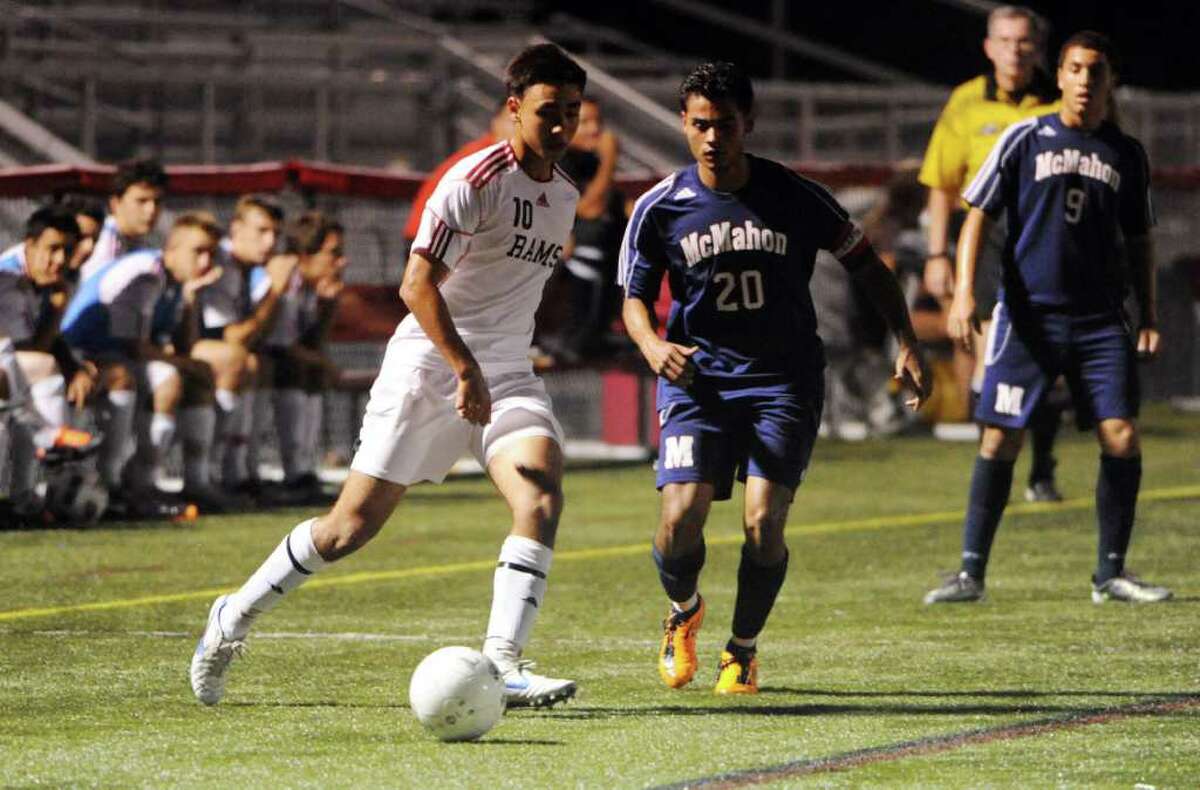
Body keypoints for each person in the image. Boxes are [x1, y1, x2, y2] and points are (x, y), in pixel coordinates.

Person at [190, 43, 587, 709]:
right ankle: (232, 618)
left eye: (572, 112)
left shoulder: (565, 195)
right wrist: (464, 367)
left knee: (540, 495)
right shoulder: (472, 181)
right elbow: (415, 286)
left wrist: (507, 357)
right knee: (347, 529)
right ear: (514, 108)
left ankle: (502, 666)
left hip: (507, 372)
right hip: (432, 366)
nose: (562, 125)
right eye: (550, 111)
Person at [620, 62, 931, 695]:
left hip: (783, 381)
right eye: (701, 125)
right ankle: (683, 613)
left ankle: (742, 649)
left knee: (764, 525)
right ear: (684, 124)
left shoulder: (796, 195)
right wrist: (652, 344)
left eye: (726, 125)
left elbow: (868, 266)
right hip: (697, 379)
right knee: (681, 517)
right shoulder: (660, 207)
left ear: (748, 124)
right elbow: (633, 295)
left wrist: (907, 339)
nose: (713, 138)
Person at [923, 32, 1171, 605]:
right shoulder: (1025, 137)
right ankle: (970, 574)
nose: (1086, 80)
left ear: (1111, 82)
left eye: (1097, 71)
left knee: (1122, 434)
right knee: (999, 438)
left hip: (1101, 321)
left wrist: (1150, 312)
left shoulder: (1126, 153)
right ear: (1058, 76)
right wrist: (964, 296)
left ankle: (1110, 574)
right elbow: (977, 214)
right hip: (1027, 317)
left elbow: (1141, 240)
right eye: (1076, 69)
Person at [919, 5, 1066, 501]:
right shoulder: (965, 102)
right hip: (983, 238)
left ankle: (1042, 467)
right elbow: (942, 184)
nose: (1015, 50)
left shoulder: (1061, 99)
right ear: (988, 47)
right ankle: (994, 459)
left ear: (1038, 47)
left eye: (1024, 41)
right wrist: (938, 254)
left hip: (1048, 238)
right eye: (1005, 40)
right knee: (989, 351)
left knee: (1049, 356)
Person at [60, 213, 225, 517]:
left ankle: (193, 482)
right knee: (166, 377)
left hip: (115, 355)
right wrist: (188, 365)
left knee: (190, 376)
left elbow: (181, 346)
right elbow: (134, 347)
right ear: (172, 248)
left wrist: (190, 299)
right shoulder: (148, 273)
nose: (206, 261)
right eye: (198, 251)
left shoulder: (175, 283)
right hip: (79, 355)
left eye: (211, 253)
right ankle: (116, 485)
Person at [0, 206, 100, 521]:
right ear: (29, 244)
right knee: (40, 372)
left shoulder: (46, 278)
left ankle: (30, 497)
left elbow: (37, 342)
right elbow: (28, 347)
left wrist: (73, 367)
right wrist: (58, 310)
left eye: (66, 250)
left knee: (76, 378)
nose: (59, 259)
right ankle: (49, 441)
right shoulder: (9, 280)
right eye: (52, 249)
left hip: (9, 362)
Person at [191, 194, 291, 495]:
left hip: (207, 349)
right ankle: (214, 473)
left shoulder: (249, 270)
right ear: (236, 230)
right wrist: (275, 291)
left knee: (262, 363)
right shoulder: (221, 263)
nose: (270, 241)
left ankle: (244, 470)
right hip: (176, 346)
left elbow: (260, 335)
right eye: (262, 231)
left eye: (275, 233)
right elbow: (233, 338)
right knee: (239, 359)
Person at [258, 211, 347, 501]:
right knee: (297, 368)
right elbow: (280, 345)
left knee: (311, 370)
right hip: (255, 356)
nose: (341, 262)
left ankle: (304, 470)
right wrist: (325, 364)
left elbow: (311, 344)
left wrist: (329, 308)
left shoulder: (309, 287)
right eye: (333, 253)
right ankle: (290, 472)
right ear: (305, 254)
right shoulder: (287, 277)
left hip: (276, 355)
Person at [551, 97, 626, 362]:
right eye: (584, 122)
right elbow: (589, 208)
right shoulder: (560, 161)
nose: (595, 129)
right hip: (570, 280)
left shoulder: (591, 161)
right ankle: (573, 338)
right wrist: (610, 160)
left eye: (598, 122)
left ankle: (600, 332)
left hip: (606, 278)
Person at [401, 99, 514, 247]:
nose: (518, 129)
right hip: (430, 240)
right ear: (495, 122)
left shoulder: (497, 156)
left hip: (438, 237)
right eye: (512, 121)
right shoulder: (486, 159)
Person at [79, 159, 168, 281]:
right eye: (141, 201)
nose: (151, 209)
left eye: (157, 202)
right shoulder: (101, 246)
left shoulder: (145, 243)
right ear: (115, 204)